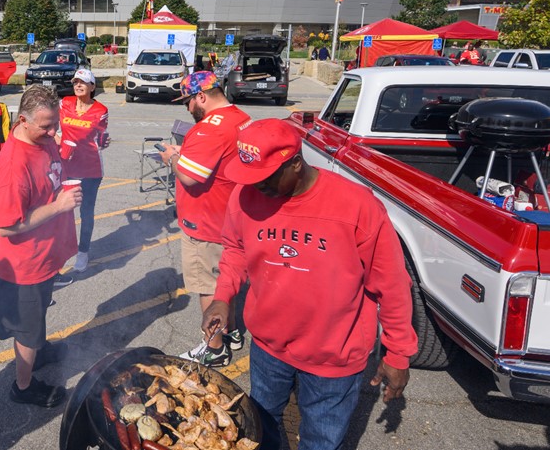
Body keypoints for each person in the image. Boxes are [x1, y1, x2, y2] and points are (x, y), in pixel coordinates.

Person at [201, 118, 417, 450]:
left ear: (296, 163)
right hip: (268, 348)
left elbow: (391, 284)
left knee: (321, 441)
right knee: (262, 428)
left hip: (334, 356)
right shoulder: (245, 198)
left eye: (266, 177)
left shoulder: (357, 205)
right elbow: (236, 249)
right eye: (250, 177)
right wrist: (223, 297)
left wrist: (398, 354)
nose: (256, 187)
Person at [0, 85, 81, 408]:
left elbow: (54, 163)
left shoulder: (41, 138)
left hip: (45, 257)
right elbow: (8, 226)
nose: (53, 131)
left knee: (38, 315)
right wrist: (59, 206)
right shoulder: (13, 167)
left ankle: (38, 354)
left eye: (55, 122)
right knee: (27, 330)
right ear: (23, 121)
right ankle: (24, 386)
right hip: (24, 266)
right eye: (46, 126)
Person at [157, 72, 250, 367]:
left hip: (205, 222)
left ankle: (214, 347)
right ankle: (231, 331)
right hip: (231, 217)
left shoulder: (208, 129)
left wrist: (172, 157)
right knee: (225, 279)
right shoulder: (241, 117)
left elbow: (189, 176)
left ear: (201, 96)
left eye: (187, 101)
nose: (187, 109)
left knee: (208, 285)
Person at [59, 68, 110, 273]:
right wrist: (56, 140)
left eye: (83, 82)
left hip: (90, 167)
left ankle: (83, 252)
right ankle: (63, 250)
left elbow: (102, 137)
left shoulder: (101, 110)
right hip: (66, 165)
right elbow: (54, 127)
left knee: (86, 213)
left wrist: (105, 141)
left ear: (92, 87)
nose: (78, 85)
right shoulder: (65, 103)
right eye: (75, 82)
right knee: (63, 211)